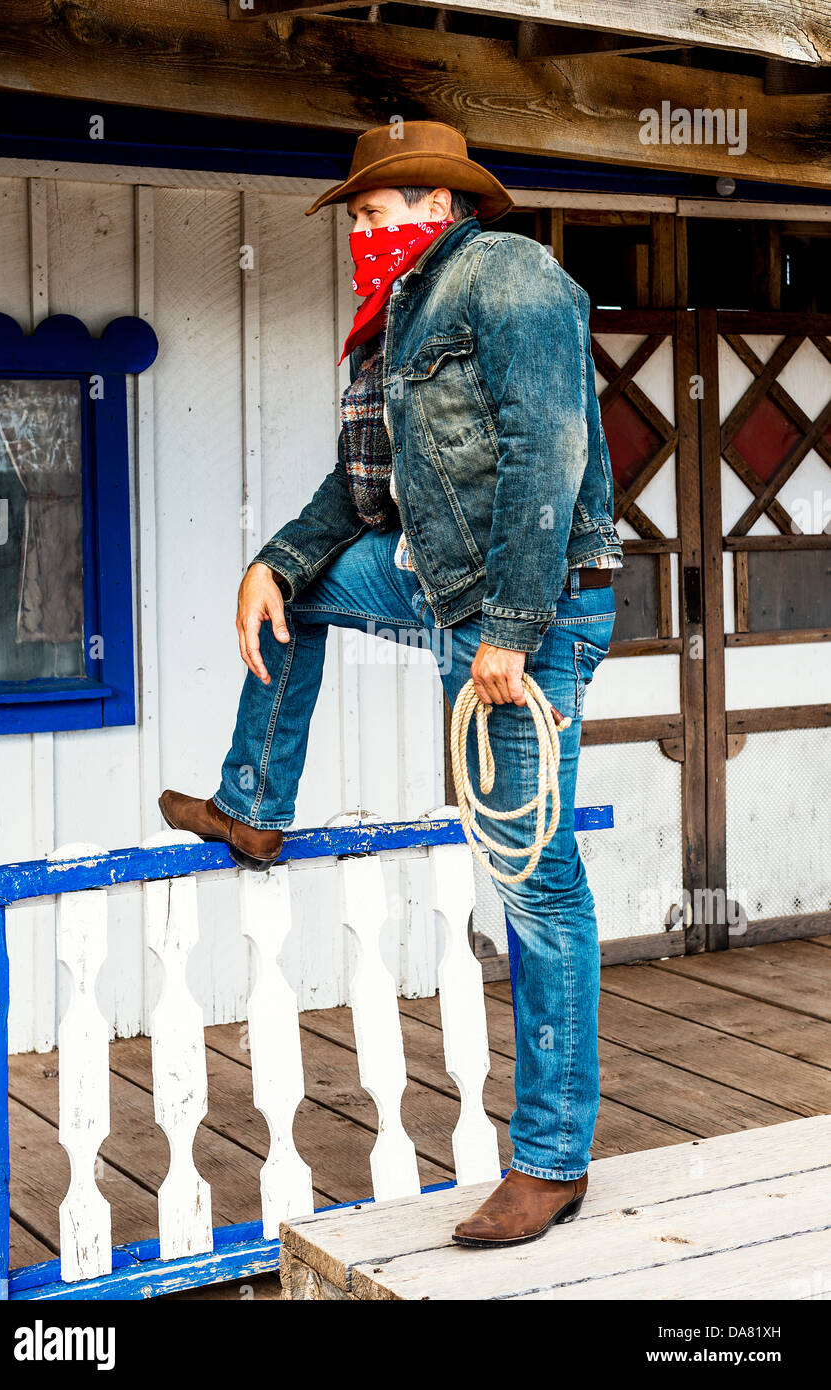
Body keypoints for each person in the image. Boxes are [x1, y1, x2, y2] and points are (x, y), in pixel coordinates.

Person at [160, 120, 622, 1246]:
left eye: (378, 212)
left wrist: (514, 625)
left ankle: (554, 1159)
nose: (361, 231)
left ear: (437, 204)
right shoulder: (397, 315)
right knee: (300, 592)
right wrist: (273, 560)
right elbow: (361, 488)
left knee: (531, 874)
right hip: (436, 576)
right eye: (356, 216)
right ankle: (255, 805)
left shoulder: (506, 272)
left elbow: (547, 447)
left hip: (534, 598)